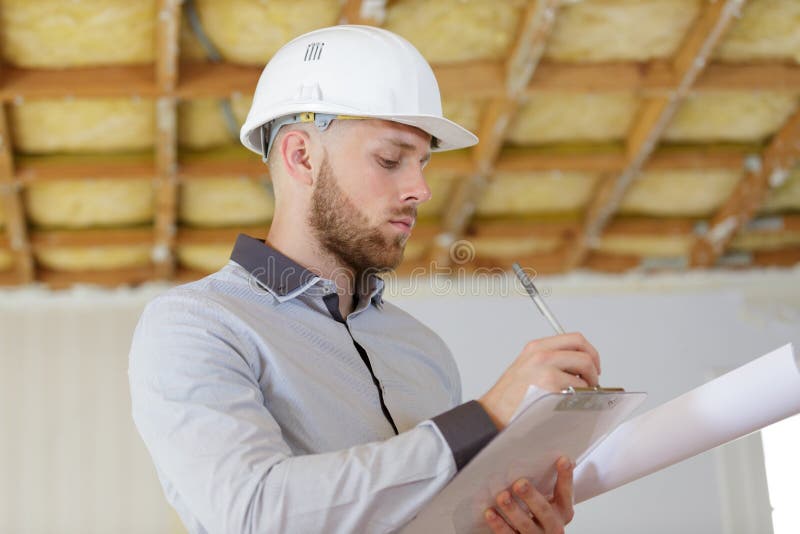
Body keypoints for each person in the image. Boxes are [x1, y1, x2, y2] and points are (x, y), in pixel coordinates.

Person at [129, 25, 601, 534]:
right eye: (390, 159)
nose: (420, 188)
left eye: (422, 163)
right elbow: (254, 513)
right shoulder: (198, 325)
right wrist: (483, 419)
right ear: (301, 156)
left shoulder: (424, 352)